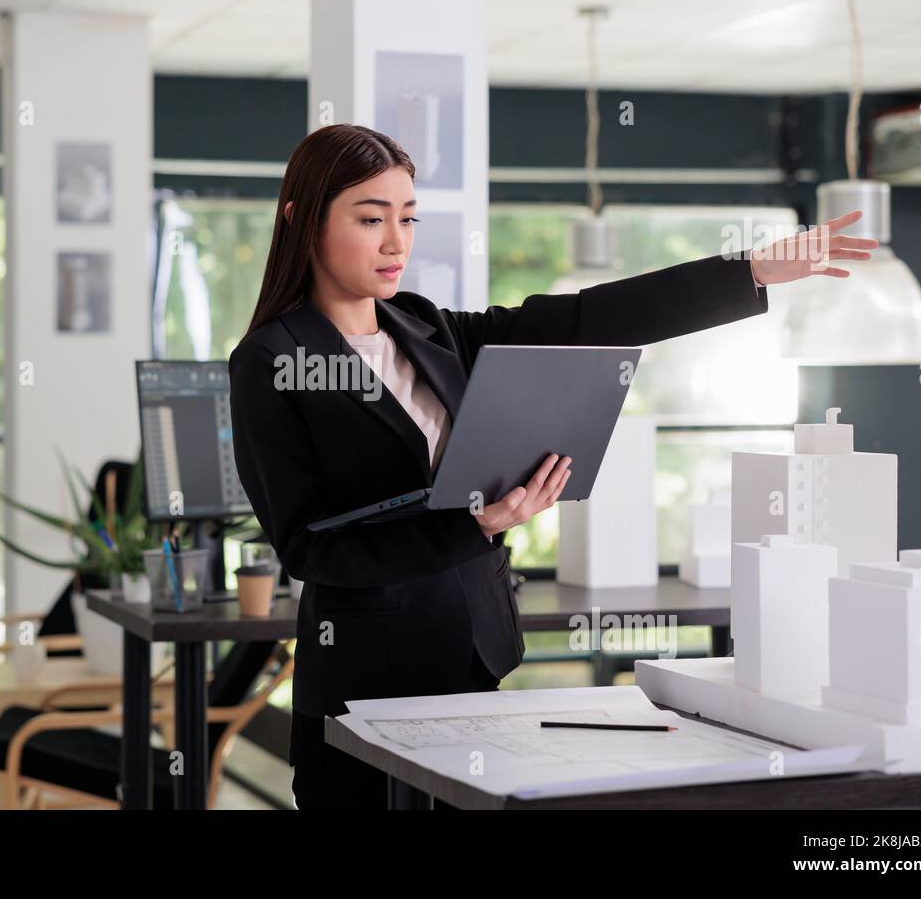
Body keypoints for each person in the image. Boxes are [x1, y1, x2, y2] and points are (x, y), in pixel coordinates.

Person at [227, 123, 875, 809]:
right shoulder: (272, 361)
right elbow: (307, 547)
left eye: (408, 218)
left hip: (472, 663)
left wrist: (746, 270)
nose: (397, 243)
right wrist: (473, 528)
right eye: (370, 218)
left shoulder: (428, 329)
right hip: (364, 687)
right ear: (303, 219)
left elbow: (583, 318)